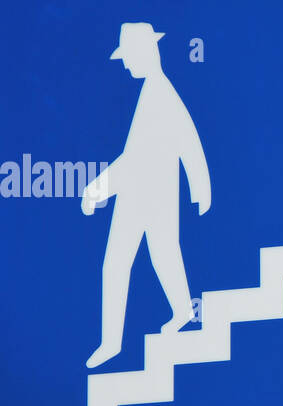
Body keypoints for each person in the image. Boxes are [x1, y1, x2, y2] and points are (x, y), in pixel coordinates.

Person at [81, 22, 210, 369]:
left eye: (127, 57)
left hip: (149, 196)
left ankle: (124, 337)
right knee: (142, 259)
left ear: (145, 52)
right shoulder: (153, 91)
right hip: (144, 195)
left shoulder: (159, 93)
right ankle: (173, 314)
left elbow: (183, 142)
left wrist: (98, 188)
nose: (124, 65)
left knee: (136, 260)